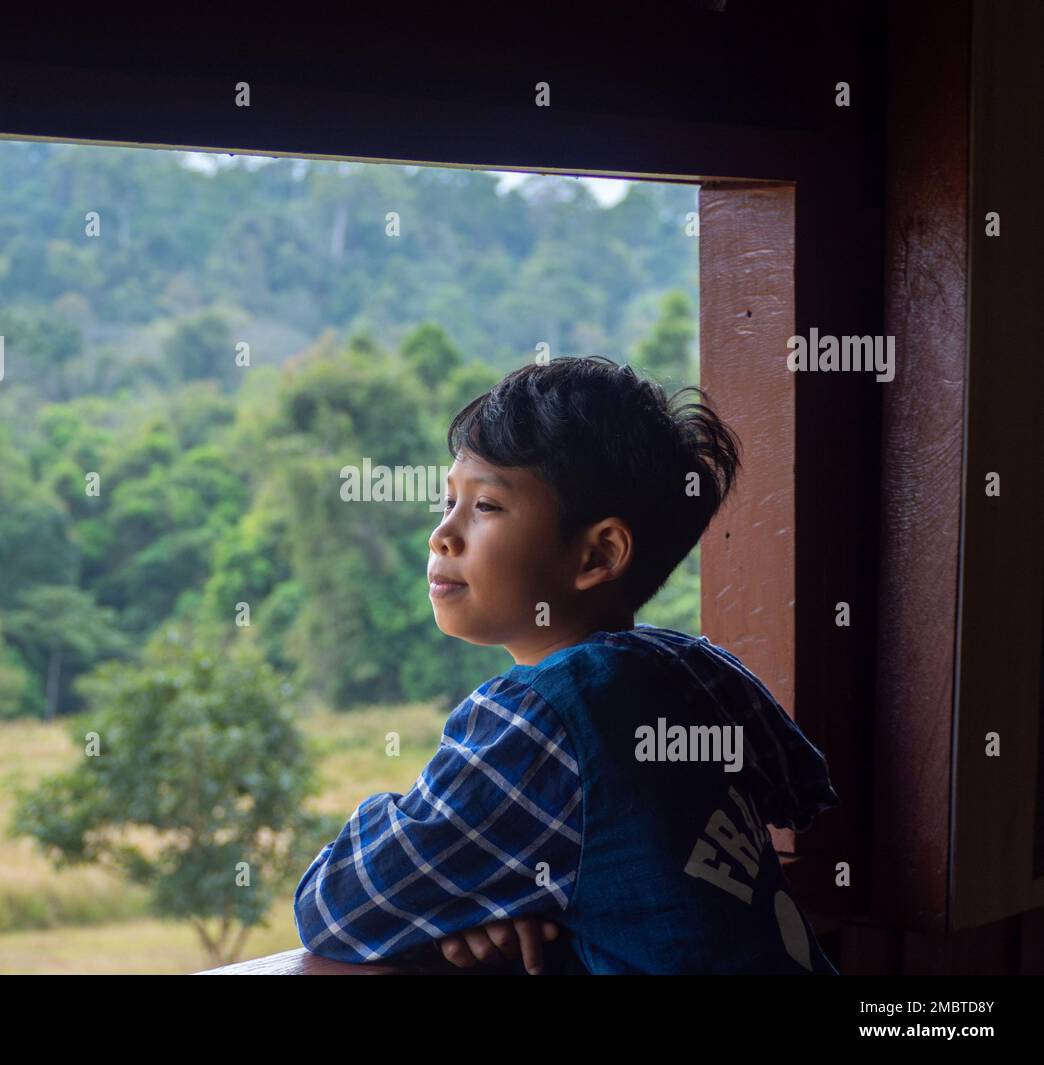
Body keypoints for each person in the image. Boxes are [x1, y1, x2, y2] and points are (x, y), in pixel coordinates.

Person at [293, 355, 840, 974]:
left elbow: (334, 908)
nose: (442, 535)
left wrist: (477, 890)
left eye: (487, 507)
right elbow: (798, 788)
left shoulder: (540, 718)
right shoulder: (689, 670)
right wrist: (520, 889)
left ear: (598, 554)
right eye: (448, 502)